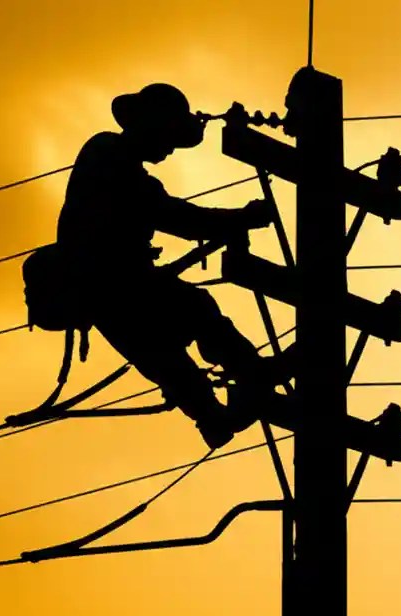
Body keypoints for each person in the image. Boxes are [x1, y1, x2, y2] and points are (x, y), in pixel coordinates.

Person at [55, 82, 275, 449]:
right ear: (151, 126)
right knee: (182, 328)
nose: (170, 150)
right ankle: (232, 392)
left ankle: (229, 396)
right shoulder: (108, 154)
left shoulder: (122, 165)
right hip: (107, 284)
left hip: (119, 282)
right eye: (169, 139)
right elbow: (171, 216)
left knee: (182, 328)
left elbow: (168, 214)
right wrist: (240, 219)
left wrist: (233, 223)